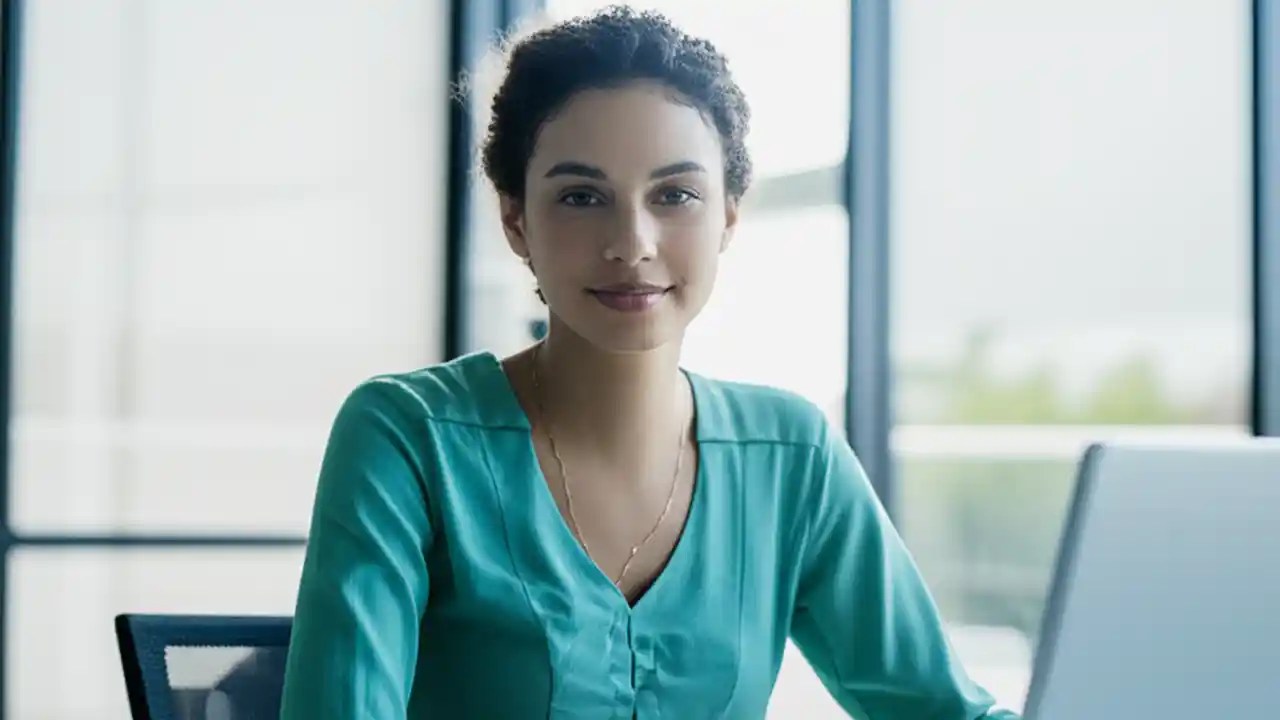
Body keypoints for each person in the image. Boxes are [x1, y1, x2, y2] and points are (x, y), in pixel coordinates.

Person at [279, 6, 1020, 718]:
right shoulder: (408, 437)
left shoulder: (792, 455)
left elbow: (943, 709)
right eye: (580, 196)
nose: (631, 242)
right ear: (515, 219)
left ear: (729, 212)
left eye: (675, 194)